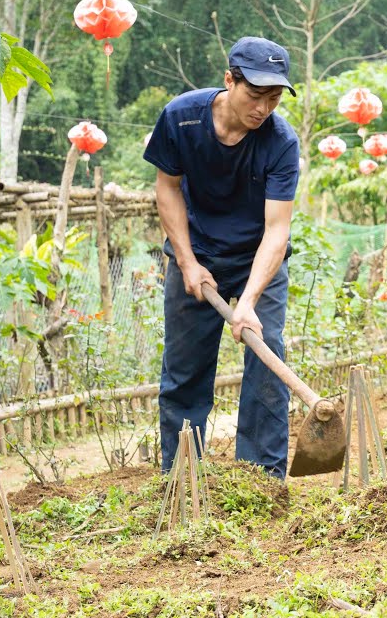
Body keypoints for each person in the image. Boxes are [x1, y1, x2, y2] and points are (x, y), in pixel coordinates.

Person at [143, 36, 300, 479]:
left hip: (258, 260)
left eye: (273, 99)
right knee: (185, 371)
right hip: (197, 255)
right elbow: (167, 188)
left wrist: (247, 302)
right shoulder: (181, 117)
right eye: (255, 95)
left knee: (268, 363)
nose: (263, 109)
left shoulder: (281, 142)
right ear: (229, 80)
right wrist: (188, 262)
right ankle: (181, 479)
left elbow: (277, 230)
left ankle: (262, 480)